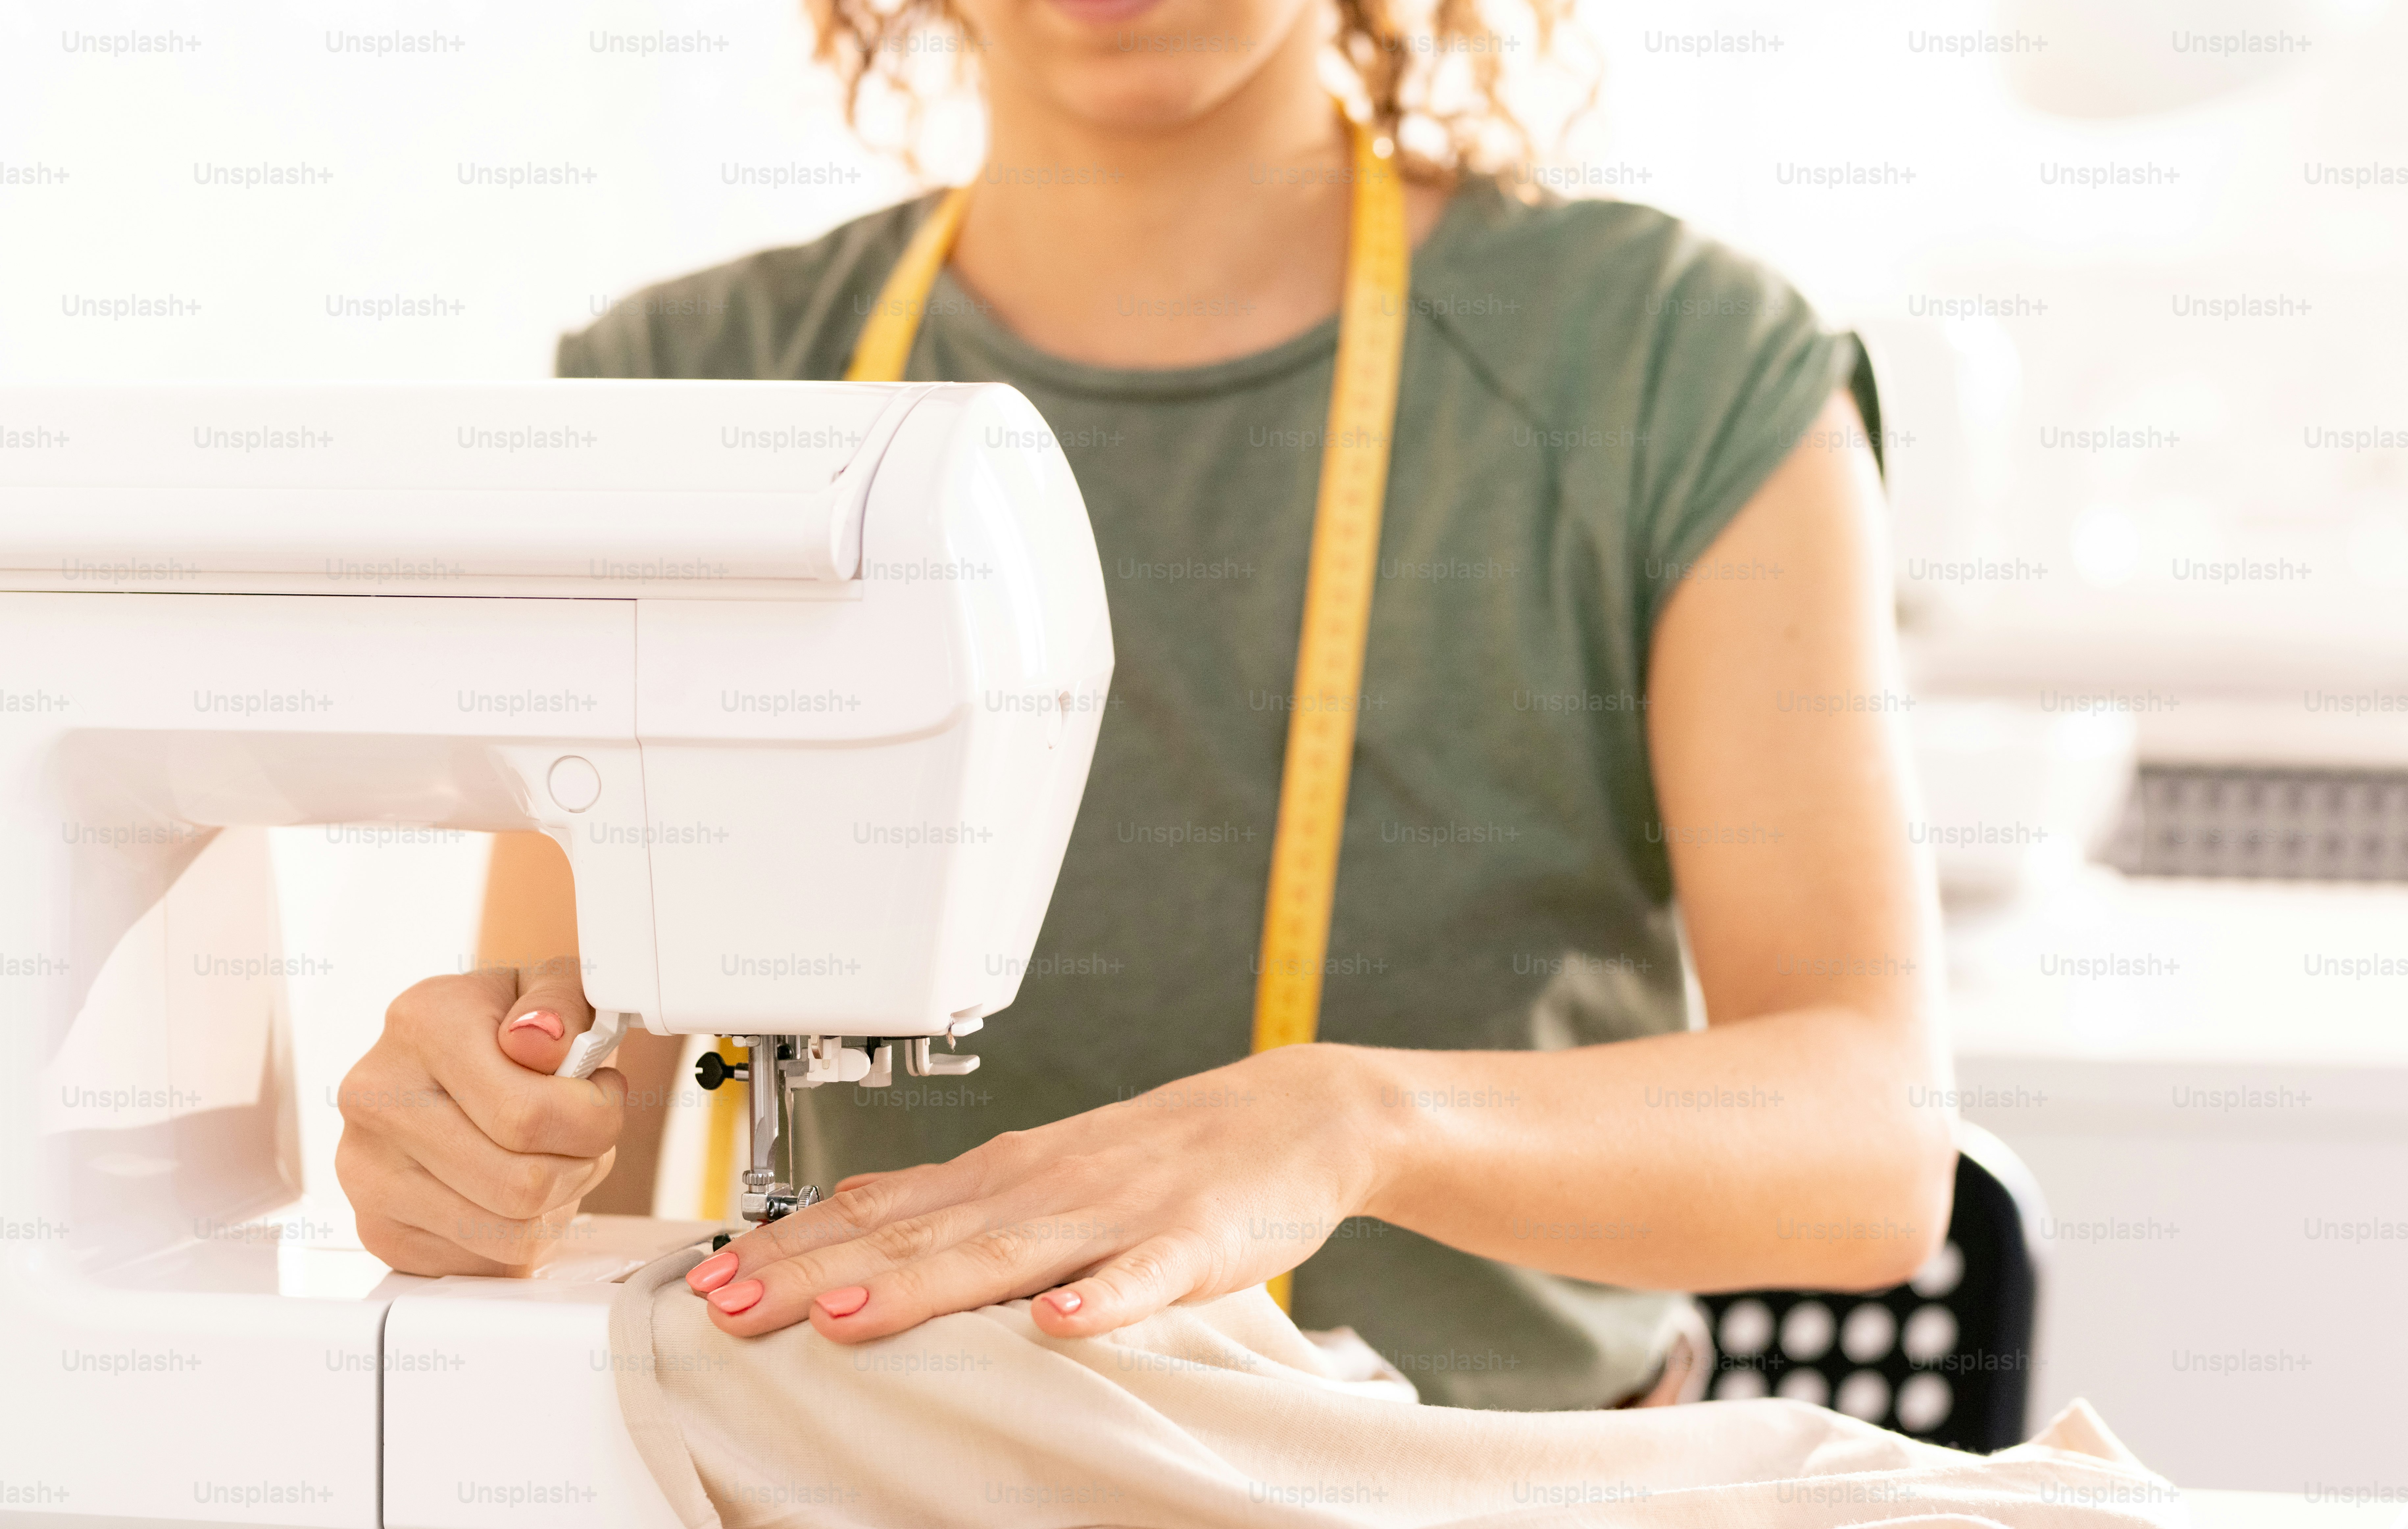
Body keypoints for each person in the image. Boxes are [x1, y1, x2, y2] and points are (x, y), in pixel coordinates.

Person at [335, 0, 1954, 1412]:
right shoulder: (687, 393)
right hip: (906, 1518)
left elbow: (1870, 1137)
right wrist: (476, 1150)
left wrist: (1352, 1121)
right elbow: (579, 1086)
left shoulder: (1682, 366)